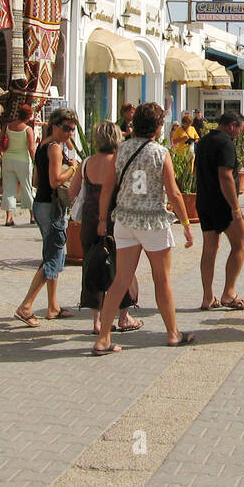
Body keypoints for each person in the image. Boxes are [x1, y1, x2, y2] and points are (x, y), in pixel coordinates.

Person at [92, 103, 196, 354]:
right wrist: (185, 223)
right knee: (162, 280)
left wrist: (103, 219)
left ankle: (103, 338)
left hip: (125, 220)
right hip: (153, 222)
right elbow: (173, 192)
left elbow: (107, 188)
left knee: (120, 280)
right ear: (157, 127)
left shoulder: (121, 149)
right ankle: (173, 333)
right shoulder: (161, 153)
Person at [15, 107, 81, 326]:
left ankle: (52, 306)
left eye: (72, 129)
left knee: (53, 253)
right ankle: (26, 306)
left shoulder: (42, 147)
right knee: (52, 257)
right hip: (52, 207)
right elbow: (55, 181)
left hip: (40, 204)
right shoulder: (54, 148)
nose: (69, 133)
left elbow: (36, 180)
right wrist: (72, 169)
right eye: (66, 128)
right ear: (55, 126)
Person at [73, 121, 141, 333]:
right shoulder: (120, 163)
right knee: (123, 267)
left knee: (92, 266)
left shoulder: (86, 163)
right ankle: (123, 315)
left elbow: (72, 191)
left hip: (90, 220)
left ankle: (96, 320)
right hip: (116, 220)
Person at [195, 112, 244, 312]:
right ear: (232, 126)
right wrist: (235, 207)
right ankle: (229, 293)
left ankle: (207, 296)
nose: (238, 134)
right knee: (241, 244)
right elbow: (225, 175)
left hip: (204, 201)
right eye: (239, 130)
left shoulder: (203, 142)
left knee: (210, 248)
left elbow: (196, 171)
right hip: (223, 203)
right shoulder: (225, 143)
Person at [0, 104, 36, 227]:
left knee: (8, 189)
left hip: (7, 160)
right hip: (23, 161)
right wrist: (36, 163)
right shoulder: (28, 130)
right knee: (27, 188)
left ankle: (8, 218)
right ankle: (32, 216)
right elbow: (31, 148)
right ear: (28, 116)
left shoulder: (7, 127)